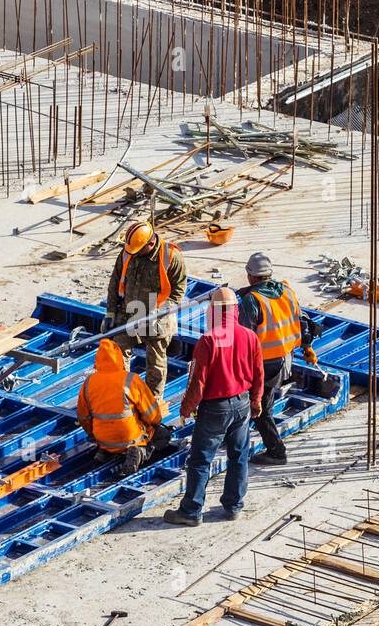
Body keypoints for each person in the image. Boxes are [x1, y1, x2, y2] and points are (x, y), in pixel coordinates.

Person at [163, 287, 263, 526]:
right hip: (241, 405)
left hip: (215, 409)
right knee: (238, 457)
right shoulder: (250, 336)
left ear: (213, 311)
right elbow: (258, 374)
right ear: (235, 310)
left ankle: (190, 511)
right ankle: (233, 505)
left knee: (200, 460)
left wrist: (186, 409)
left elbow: (197, 380)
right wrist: (256, 400)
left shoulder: (208, 340)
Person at [237, 252, 318, 466]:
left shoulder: (251, 300)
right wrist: (308, 347)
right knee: (263, 404)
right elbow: (303, 322)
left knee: (259, 408)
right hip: (285, 359)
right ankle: (239, 438)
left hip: (264, 364)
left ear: (251, 276)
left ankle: (276, 451)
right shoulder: (287, 291)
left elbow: (245, 338)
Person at [103, 220, 187, 406]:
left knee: (155, 361)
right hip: (129, 313)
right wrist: (110, 313)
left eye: (140, 251)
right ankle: (122, 396)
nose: (135, 255)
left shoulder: (171, 256)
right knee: (118, 351)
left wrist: (160, 311)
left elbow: (179, 291)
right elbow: (115, 283)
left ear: (150, 243)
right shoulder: (129, 252)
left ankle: (152, 403)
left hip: (157, 318)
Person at [76, 339, 171, 476]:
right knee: (163, 436)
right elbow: (152, 415)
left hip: (103, 439)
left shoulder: (88, 383)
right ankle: (140, 452)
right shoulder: (131, 380)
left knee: (109, 433)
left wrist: (94, 434)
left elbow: (83, 417)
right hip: (130, 438)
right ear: (120, 358)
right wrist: (154, 424)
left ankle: (104, 452)